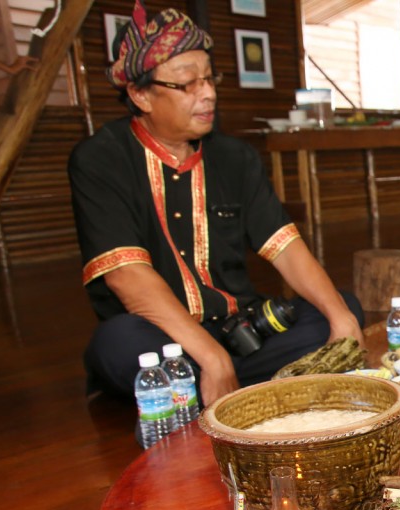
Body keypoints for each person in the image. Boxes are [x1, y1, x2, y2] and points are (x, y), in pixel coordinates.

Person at [69, 1, 364, 407]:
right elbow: (127, 278)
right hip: (166, 344)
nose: (207, 93)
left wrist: (341, 319)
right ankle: (229, 382)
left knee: (340, 307)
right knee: (116, 342)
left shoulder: (234, 157)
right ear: (140, 95)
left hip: (243, 334)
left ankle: (209, 391)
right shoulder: (102, 159)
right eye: (187, 83)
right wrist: (210, 356)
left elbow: (284, 246)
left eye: (210, 79)